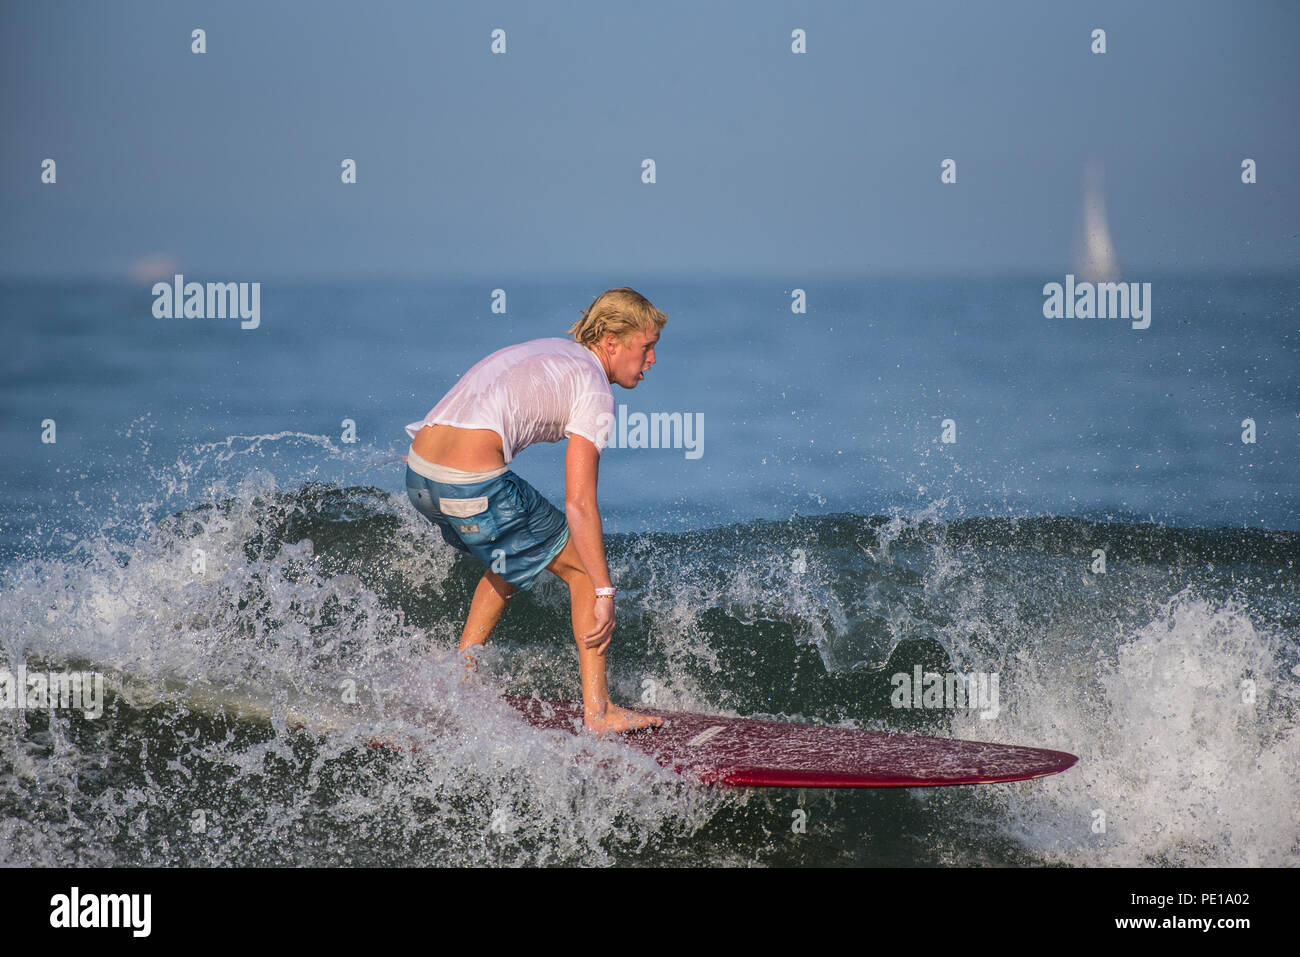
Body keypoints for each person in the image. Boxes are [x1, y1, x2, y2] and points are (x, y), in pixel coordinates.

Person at [404, 287, 665, 733]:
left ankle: (461, 676)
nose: (652, 361)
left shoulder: (554, 352)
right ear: (611, 343)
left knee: (512, 550)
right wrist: (604, 592)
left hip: (419, 476)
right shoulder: (595, 388)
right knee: (582, 567)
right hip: (470, 484)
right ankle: (599, 713)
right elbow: (579, 503)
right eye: (647, 348)